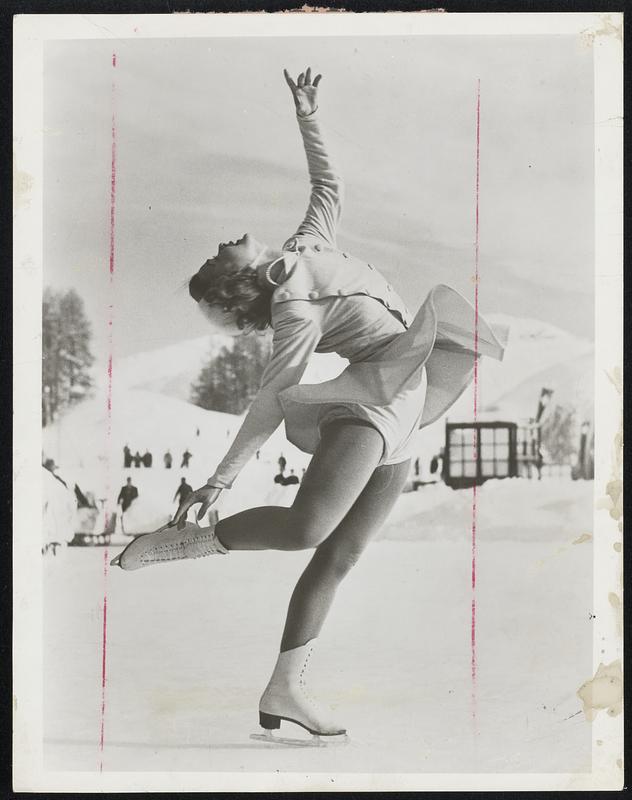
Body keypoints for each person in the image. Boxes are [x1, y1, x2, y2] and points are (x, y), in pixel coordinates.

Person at [112, 68, 507, 742]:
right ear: (243, 281)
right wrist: (219, 479)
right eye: (219, 256)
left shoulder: (304, 248)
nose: (221, 240)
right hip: (372, 399)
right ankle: (180, 542)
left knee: (341, 553)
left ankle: (284, 691)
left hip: (402, 406)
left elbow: (328, 186)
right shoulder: (293, 305)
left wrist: (307, 114)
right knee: (306, 529)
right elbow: (272, 396)